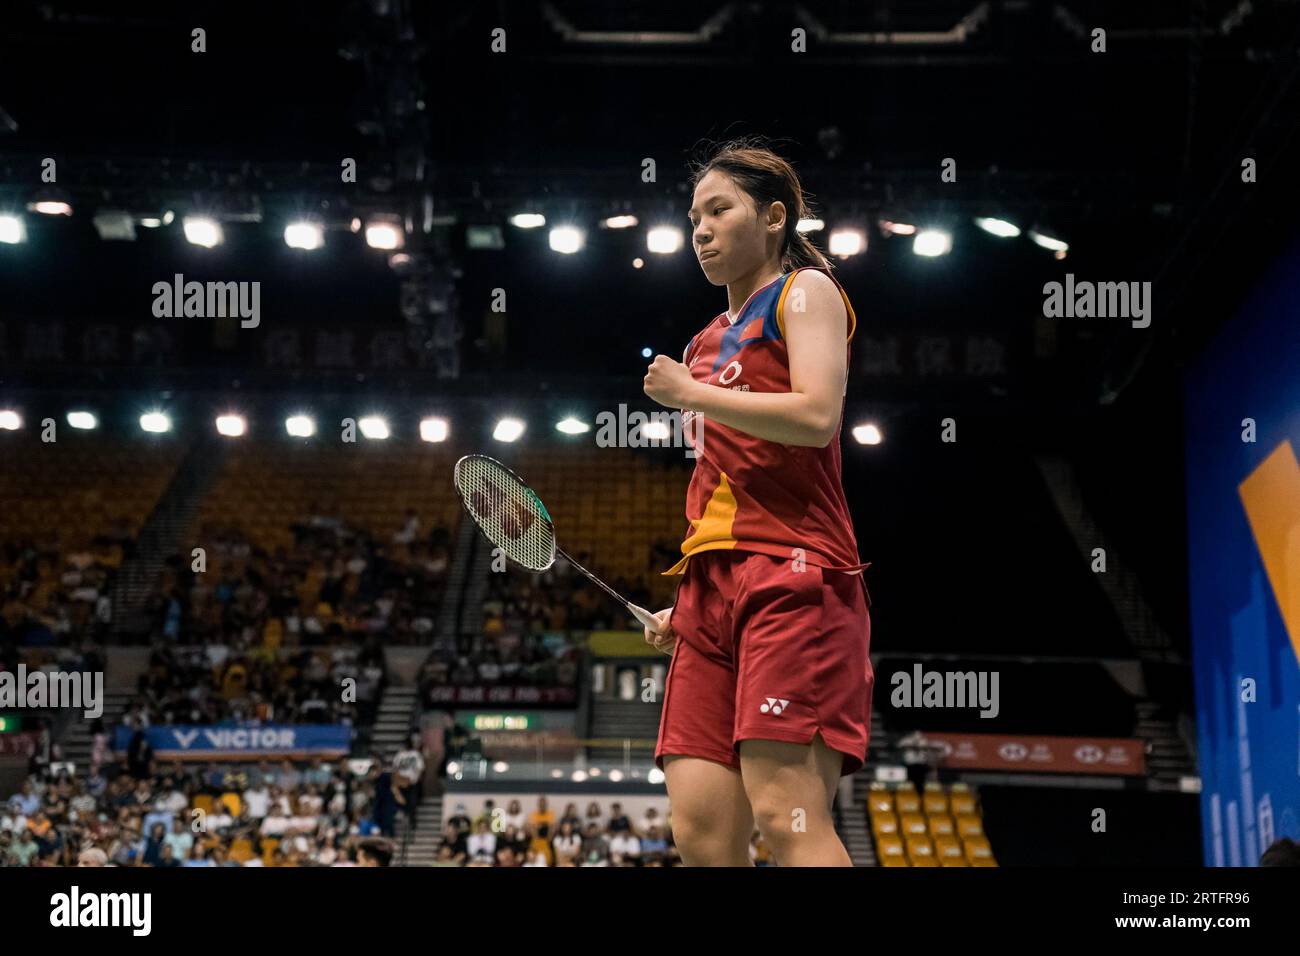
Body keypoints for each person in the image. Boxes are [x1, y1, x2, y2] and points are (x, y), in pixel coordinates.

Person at [642, 138, 873, 867]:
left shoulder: (805, 291)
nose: (700, 230)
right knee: (703, 833)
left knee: (787, 816)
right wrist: (686, 602)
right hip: (710, 589)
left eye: (719, 211)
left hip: (794, 574)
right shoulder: (704, 341)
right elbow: (719, 484)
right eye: (692, 218)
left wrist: (689, 395)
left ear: (773, 217)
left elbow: (815, 418)